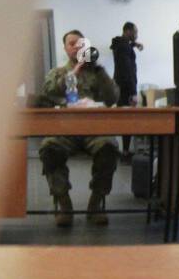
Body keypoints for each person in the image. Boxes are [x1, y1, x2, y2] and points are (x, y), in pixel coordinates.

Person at [37, 29, 120, 227]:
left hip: (94, 129)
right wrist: (74, 72)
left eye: (79, 43)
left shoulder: (98, 73)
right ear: (65, 49)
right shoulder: (58, 73)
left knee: (109, 146)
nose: (76, 47)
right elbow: (47, 92)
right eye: (71, 43)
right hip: (65, 129)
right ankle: (64, 204)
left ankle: (95, 204)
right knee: (49, 148)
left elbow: (112, 98)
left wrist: (99, 70)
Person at [109, 21, 143, 157]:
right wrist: (133, 92)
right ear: (127, 31)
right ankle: (125, 152)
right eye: (135, 32)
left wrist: (135, 44)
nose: (136, 35)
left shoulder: (120, 44)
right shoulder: (124, 48)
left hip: (120, 87)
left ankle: (125, 150)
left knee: (124, 119)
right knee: (127, 121)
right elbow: (128, 71)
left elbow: (125, 45)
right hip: (126, 89)